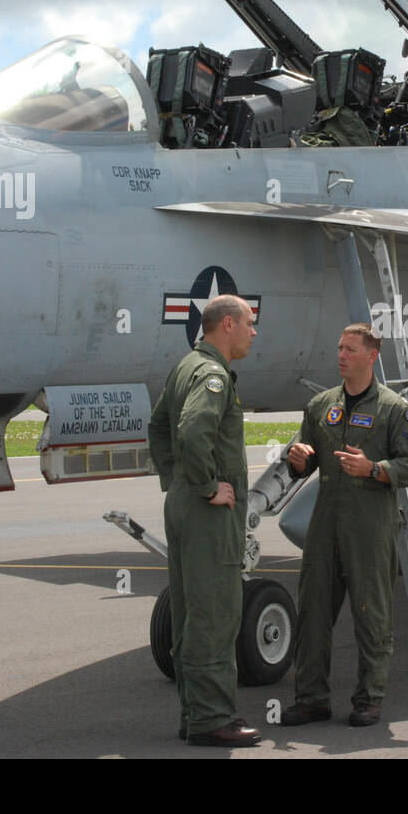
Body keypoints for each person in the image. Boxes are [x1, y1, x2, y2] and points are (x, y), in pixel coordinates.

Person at [281, 323, 408, 727]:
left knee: (372, 613)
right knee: (313, 612)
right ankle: (311, 698)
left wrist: (374, 469)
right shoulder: (321, 405)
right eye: (339, 348)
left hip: (370, 527)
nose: (341, 355)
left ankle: (369, 698)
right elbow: (306, 459)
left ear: (371, 355)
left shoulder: (396, 409)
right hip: (325, 525)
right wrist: (298, 460)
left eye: (350, 349)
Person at [148, 294, 260, 747]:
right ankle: (214, 719)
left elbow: (158, 426)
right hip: (206, 512)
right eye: (250, 323)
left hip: (184, 504)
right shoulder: (213, 376)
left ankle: (195, 716)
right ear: (227, 325)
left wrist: (177, 482)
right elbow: (193, 432)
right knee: (215, 612)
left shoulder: (186, 366)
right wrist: (207, 486)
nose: (254, 332)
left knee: (192, 613)